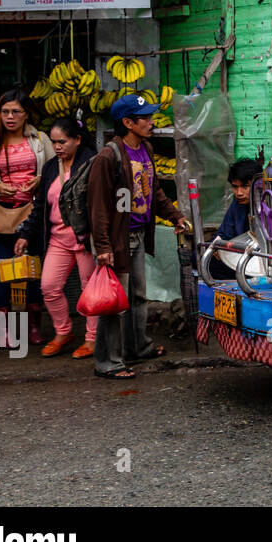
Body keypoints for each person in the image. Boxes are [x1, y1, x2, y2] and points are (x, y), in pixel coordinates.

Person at [88, 94, 190, 379]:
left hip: (137, 235)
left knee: (138, 296)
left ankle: (137, 347)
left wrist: (175, 215)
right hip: (116, 240)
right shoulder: (108, 157)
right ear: (128, 122)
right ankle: (108, 362)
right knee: (114, 303)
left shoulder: (144, 148)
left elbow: (154, 190)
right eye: (144, 118)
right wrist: (103, 247)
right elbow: (97, 206)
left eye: (149, 116)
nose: (150, 121)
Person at [0, 89, 53, 348]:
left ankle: (33, 328)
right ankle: (3, 331)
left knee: (33, 272)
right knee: (2, 274)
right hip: (0, 214)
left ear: (26, 113)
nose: (9, 116)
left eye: (16, 111)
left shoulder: (40, 140)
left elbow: (57, 170)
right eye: (4, 111)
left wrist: (40, 179)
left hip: (33, 214)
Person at [15, 117, 98, 358]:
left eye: (62, 141)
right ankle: (63, 332)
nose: (57, 147)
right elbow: (40, 205)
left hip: (84, 238)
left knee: (89, 291)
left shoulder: (91, 163)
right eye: (54, 142)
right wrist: (25, 235)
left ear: (77, 140)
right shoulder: (51, 167)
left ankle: (92, 339)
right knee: (49, 286)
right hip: (58, 239)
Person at [210, 158, 259, 281]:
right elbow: (224, 233)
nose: (239, 193)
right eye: (235, 187)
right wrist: (217, 245)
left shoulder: (268, 205)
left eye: (244, 187)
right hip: (238, 257)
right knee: (200, 258)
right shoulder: (237, 205)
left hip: (260, 261)